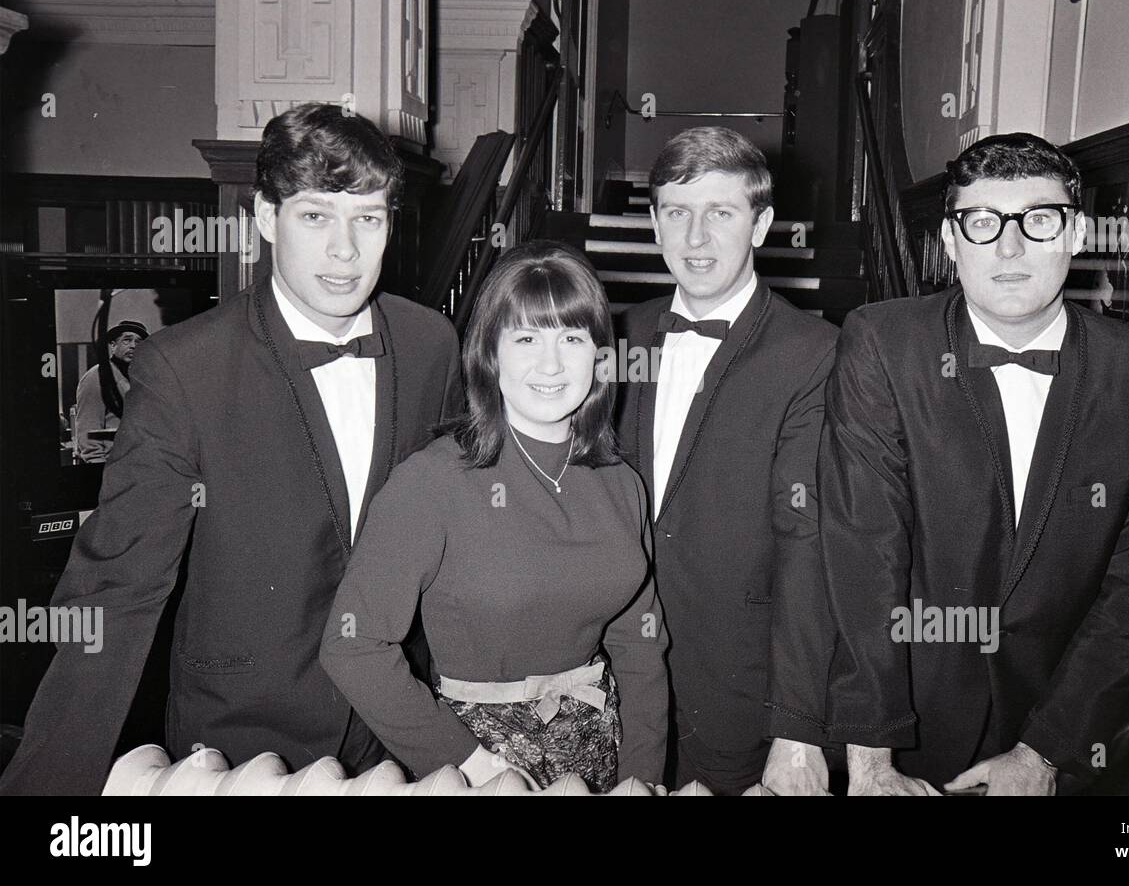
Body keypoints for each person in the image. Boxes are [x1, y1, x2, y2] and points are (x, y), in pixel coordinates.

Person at [0, 103, 462, 796]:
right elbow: (118, 588)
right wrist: (47, 788)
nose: (346, 250)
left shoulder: (431, 345)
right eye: (316, 216)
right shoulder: (184, 370)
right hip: (241, 751)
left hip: (394, 740)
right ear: (267, 218)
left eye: (367, 218)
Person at [817, 132, 1129, 795]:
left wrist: (1042, 756)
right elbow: (863, 557)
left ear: (1077, 232)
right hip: (905, 720)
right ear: (950, 239)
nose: (1010, 247)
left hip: (1065, 726)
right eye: (984, 222)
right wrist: (873, 761)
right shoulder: (881, 344)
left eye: (1039, 220)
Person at [321, 242, 667, 792]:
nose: (551, 364)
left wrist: (642, 779)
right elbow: (353, 645)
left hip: (604, 757)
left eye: (572, 338)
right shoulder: (432, 483)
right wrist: (474, 767)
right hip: (475, 767)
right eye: (526, 338)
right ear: (491, 353)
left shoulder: (621, 483)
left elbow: (640, 644)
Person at [615, 127, 839, 795]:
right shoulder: (616, 334)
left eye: (721, 213)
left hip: (741, 688)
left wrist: (797, 727)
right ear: (654, 224)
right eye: (677, 214)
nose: (695, 238)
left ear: (762, 224)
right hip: (617, 681)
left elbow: (811, 546)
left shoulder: (816, 353)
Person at [73, 319, 148, 463]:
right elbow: (88, 432)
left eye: (139, 342)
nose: (133, 346)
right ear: (113, 345)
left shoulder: (142, 378)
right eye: (127, 340)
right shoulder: (97, 376)